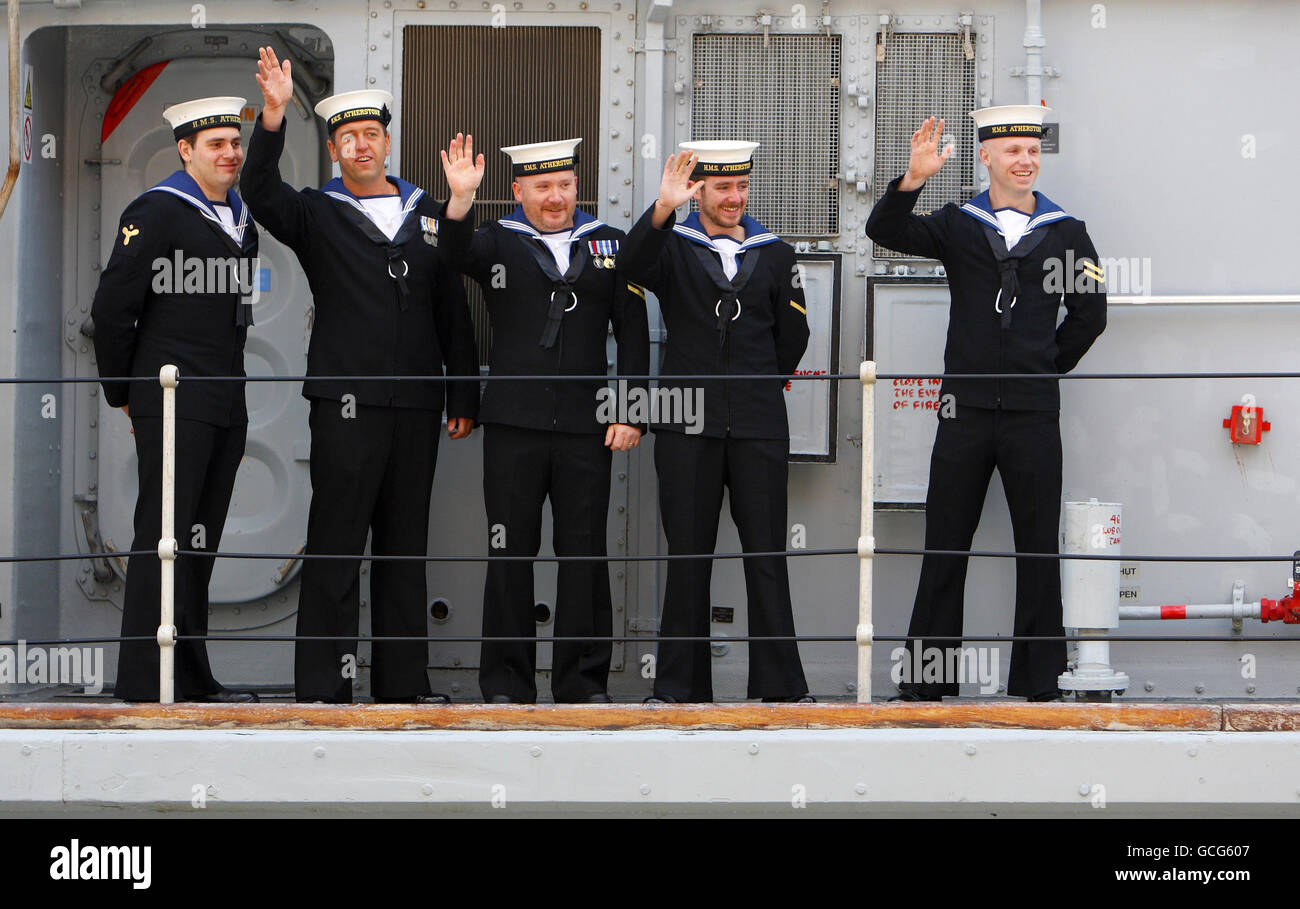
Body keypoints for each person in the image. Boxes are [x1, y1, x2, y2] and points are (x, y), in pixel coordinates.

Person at [243, 48, 482, 703]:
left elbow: (451, 300)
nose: (361, 145)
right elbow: (259, 192)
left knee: (406, 547)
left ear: (386, 140)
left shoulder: (429, 212)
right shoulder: (316, 213)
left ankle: (404, 686)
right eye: (348, 137)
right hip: (346, 403)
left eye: (371, 134)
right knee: (337, 544)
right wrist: (270, 117)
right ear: (333, 148)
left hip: (415, 405)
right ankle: (324, 687)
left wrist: (462, 391)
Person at [865, 105, 1107, 701]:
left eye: (1032, 151)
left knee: (1037, 546)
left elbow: (1091, 313)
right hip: (963, 411)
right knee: (946, 542)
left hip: (1031, 412)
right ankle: (928, 682)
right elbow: (884, 231)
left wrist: (1042, 368)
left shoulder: (1067, 231)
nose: (1025, 161)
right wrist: (913, 178)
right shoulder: (958, 224)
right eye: (1013, 151)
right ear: (986, 156)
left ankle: (1041, 681)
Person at [439, 138, 649, 703]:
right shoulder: (496, 241)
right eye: (541, 187)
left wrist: (631, 410)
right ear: (517, 191)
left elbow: (632, 329)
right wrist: (459, 200)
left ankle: (582, 683)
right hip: (513, 426)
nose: (554, 198)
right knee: (509, 552)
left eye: (563, 185)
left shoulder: (609, 243)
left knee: (584, 554)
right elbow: (449, 256)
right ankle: (506, 683)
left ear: (576, 185)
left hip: (588, 427)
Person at [622, 142, 813, 703]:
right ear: (698, 191)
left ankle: (780, 686)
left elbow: (793, 337)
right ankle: (680, 687)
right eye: (722, 187)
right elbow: (628, 268)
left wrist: (754, 387)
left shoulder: (774, 252)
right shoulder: (671, 246)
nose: (734, 197)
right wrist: (661, 209)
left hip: (757, 425)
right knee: (688, 555)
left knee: (766, 555)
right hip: (686, 426)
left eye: (742, 187)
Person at [91, 96, 260, 702]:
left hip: (223, 399)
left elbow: (238, 315)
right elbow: (113, 305)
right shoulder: (158, 210)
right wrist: (124, 392)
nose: (230, 154)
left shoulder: (241, 220)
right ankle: (141, 680)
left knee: (197, 538)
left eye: (235, 143)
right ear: (185, 150)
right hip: (170, 395)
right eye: (215, 144)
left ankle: (189, 672)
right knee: (161, 537)